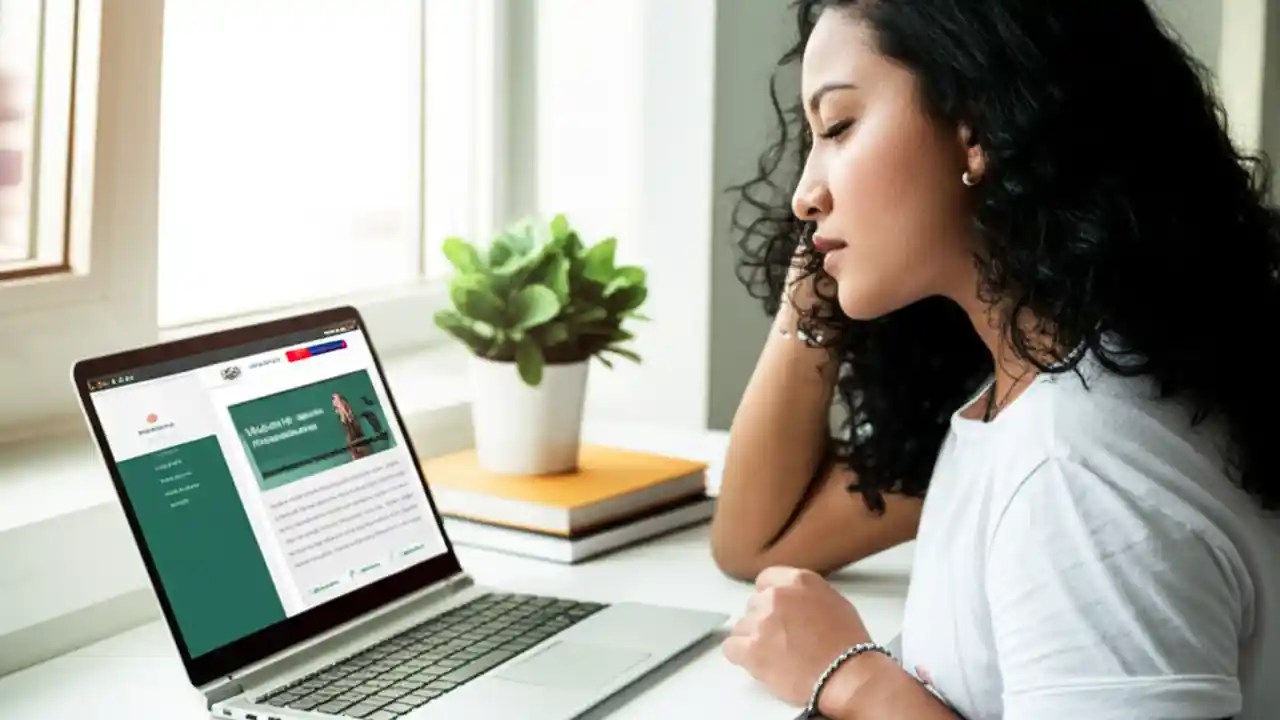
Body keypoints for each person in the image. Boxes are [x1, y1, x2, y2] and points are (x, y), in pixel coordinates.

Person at [711, 1, 1280, 718]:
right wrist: (819, 277)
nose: (803, 195)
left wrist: (850, 677)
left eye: (840, 128)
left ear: (975, 127)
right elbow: (753, 542)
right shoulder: (1046, 384)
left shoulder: (1076, 468)